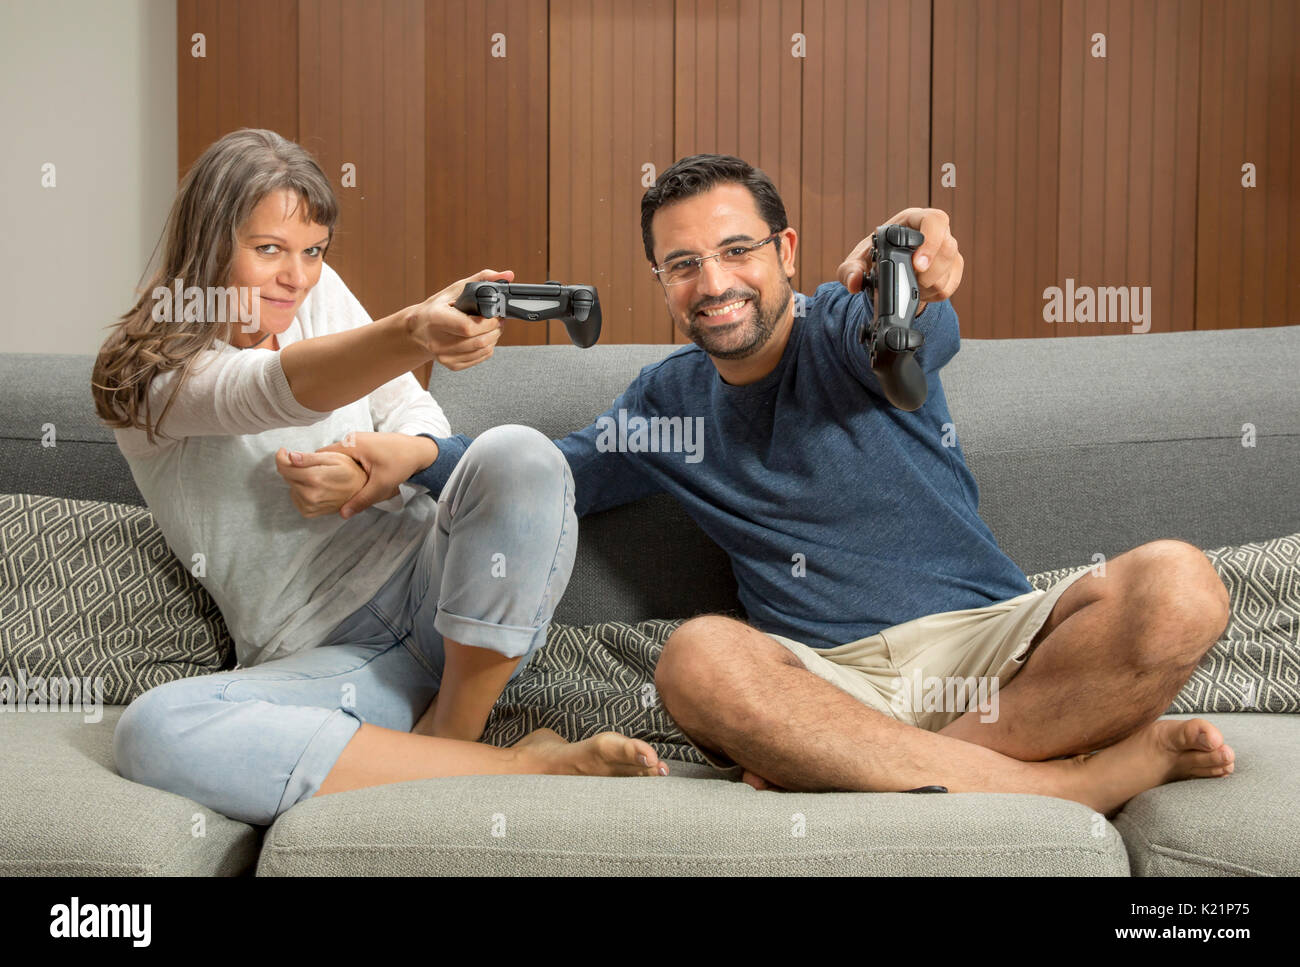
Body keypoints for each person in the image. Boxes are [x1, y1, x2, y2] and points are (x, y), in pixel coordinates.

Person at [291, 153, 1235, 817]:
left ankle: (905, 773)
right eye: (684, 263)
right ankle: (1067, 782)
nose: (714, 282)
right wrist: (410, 458)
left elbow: (908, 341)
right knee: (697, 659)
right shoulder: (671, 400)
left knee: (1181, 584)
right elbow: (557, 470)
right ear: (662, 280)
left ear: (786, 252)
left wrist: (921, 262)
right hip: (826, 685)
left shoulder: (846, 328)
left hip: (991, 651)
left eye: (737, 251)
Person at [91, 129, 667, 827]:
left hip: (456, 608)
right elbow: (265, 389)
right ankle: (514, 762)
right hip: (336, 665)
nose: (296, 277)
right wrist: (414, 331)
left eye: (313, 250)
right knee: (153, 730)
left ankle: (450, 737)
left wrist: (383, 467)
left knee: (521, 454)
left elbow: (414, 412)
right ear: (207, 242)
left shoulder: (316, 292)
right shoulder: (143, 374)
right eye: (268, 249)